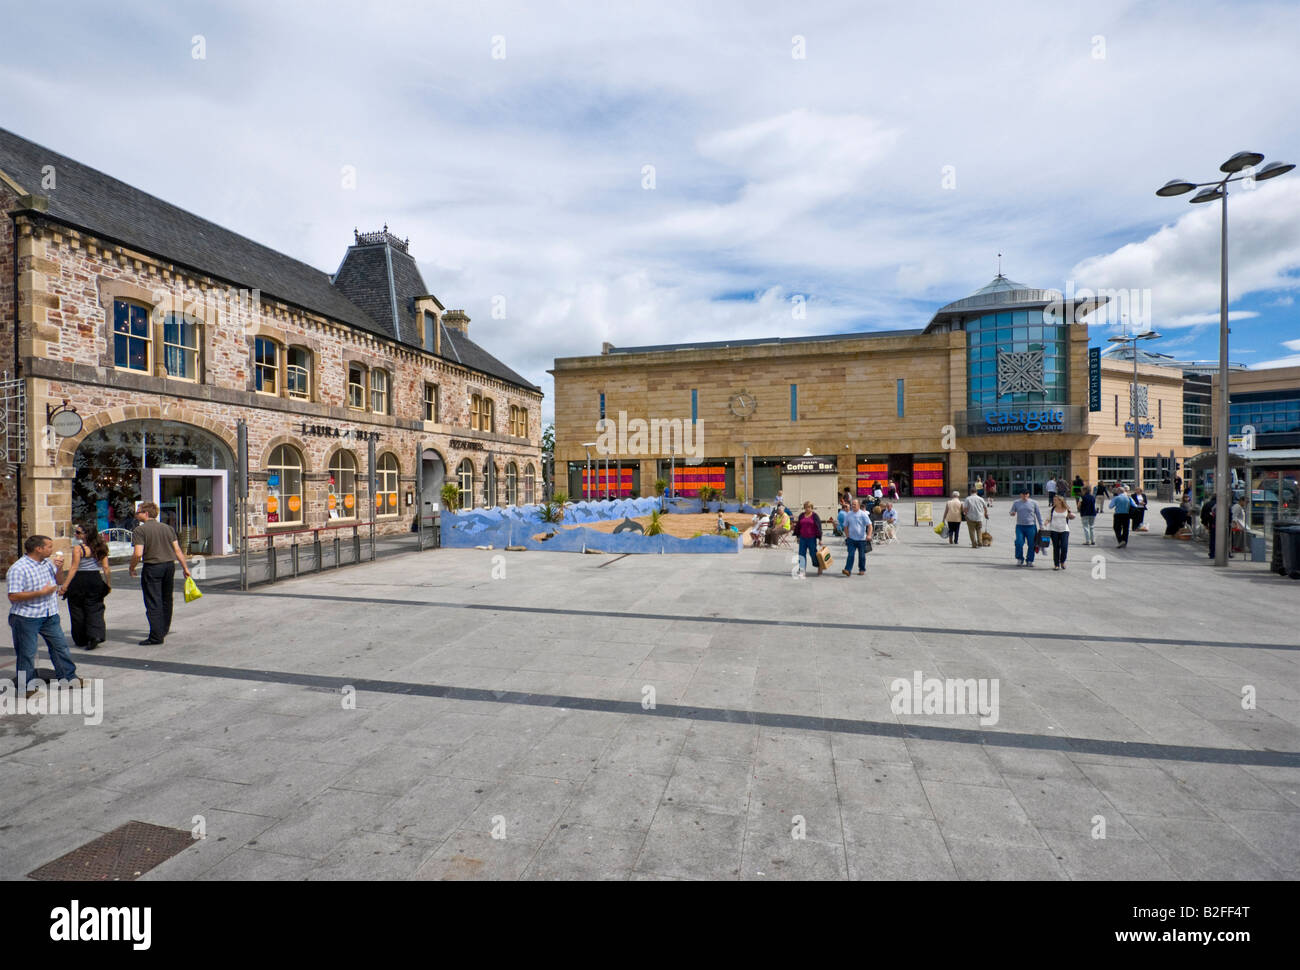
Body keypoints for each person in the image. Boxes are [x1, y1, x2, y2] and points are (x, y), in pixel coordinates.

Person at [8, 535, 82, 694]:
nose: (52, 549)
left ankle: (68, 678)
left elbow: (59, 581)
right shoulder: (18, 568)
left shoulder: (48, 564)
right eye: (49, 546)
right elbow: (13, 596)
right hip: (26, 617)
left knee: (60, 647)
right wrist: (41, 593)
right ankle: (25, 687)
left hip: (49, 614)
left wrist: (60, 568)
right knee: (27, 653)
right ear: (38, 549)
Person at [128, 501, 193, 645]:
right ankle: (163, 628)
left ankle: (156, 636)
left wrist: (132, 567)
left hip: (152, 567)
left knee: (153, 600)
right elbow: (177, 550)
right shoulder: (168, 528)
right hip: (169, 566)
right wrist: (185, 568)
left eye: (138, 512)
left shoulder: (140, 530)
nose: (136, 515)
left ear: (146, 513)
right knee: (166, 598)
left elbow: (138, 553)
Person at [59, 523, 111, 650]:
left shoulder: (78, 548)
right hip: (95, 579)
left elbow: (74, 568)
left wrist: (65, 586)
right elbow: (106, 567)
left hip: (79, 580)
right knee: (95, 608)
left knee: (77, 610)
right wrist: (108, 584)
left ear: (85, 534)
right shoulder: (101, 546)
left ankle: (81, 638)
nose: (76, 534)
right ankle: (95, 635)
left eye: (78, 532)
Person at [1009, 490, 1042, 566]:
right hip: (1020, 527)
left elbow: (1038, 515)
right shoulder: (1016, 502)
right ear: (1020, 495)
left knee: (1031, 544)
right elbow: (1011, 511)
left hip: (1031, 526)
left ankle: (1030, 560)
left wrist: (1041, 525)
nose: (1025, 496)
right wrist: (1012, 513)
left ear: (1028, 494)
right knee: (1019, 542)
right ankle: (1020, 559)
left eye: (1026, 494)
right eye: (1023, 494)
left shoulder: (1034, 503)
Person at [841, 499, 872, 576]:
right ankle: (847, 570)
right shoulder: (848, 514)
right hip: (851, 539)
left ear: (859, 505)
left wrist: (869, 535)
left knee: (861, 556)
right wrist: (847, 535)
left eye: (855, 504)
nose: (853, 506)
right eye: (852, 504)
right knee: (850, 555)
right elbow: (845, 526)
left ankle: (862, 569)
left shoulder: (863, 514)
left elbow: (870, 526)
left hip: (861, 539)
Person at [794, 501, 824, 577]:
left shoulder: (815, 516)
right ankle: (802, 570)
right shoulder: (801, 515)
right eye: (806, 507)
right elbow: (798, 526)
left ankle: (819, 566)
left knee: (813, 554)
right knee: (801, 554)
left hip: (812, 538)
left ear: (811, 508)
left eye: (809, 507)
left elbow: (819, 527)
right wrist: (798, 537)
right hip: (803, 538)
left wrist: (820, 539)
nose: (807, 509)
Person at [1046, 494, 1074, 570]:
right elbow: (1048, 518)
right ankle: (1056, 564)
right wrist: (1045, 523)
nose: (1053, 501)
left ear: (1060, 501)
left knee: (1064, 547)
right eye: (1053, 500)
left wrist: (1072, 516)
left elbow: (1071, 516)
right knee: (1056, 548)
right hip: (1054, 530)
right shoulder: (1051, 509)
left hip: (1065, 530)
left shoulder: (1067, 509)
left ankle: (1062, 561)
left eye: (1055, 500)